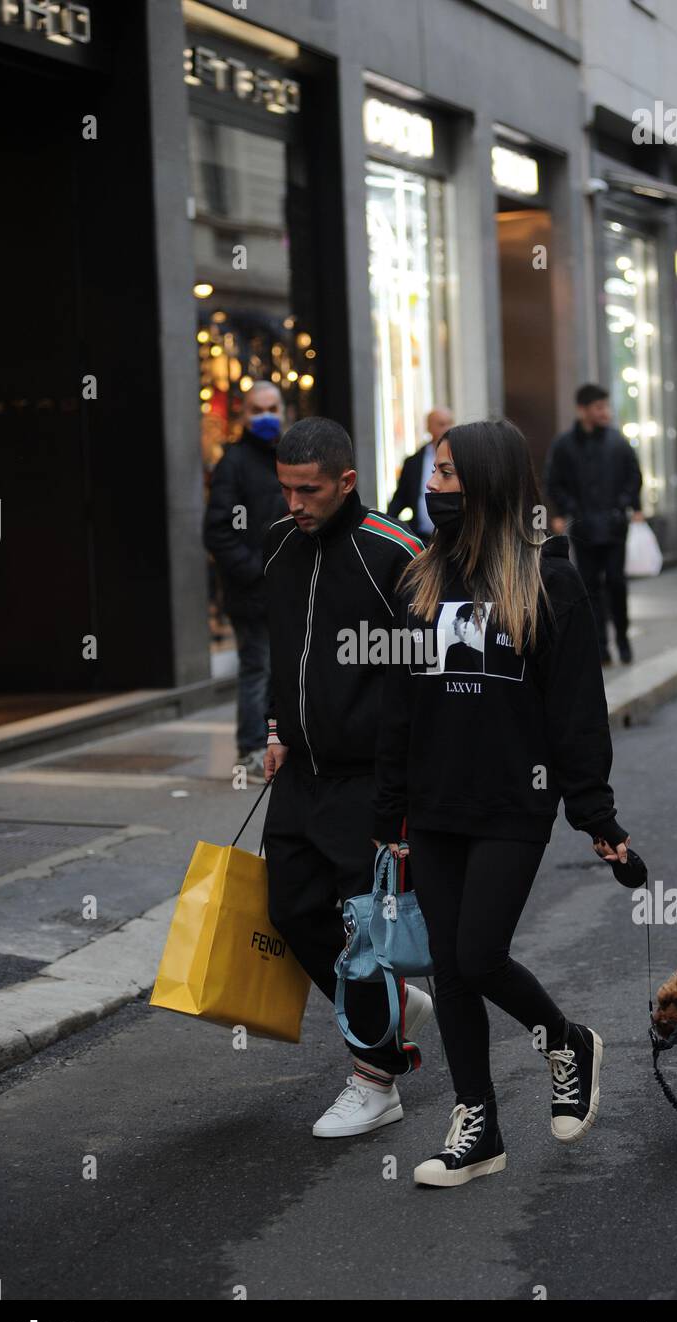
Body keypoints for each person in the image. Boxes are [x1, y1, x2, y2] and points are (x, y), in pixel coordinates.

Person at [374, 419, 632, 1188]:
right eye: (433, 473)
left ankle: (563, 1040)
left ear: (485, 482)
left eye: (447, 475)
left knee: (476, 953)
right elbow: (397, 709)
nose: (433, 486)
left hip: (513, 803)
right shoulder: (420, 579)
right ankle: (476, 1125)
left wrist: (594, 814)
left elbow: (576, 712)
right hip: (435, 802)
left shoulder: (548, 580)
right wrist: (390, 814)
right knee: (449, 972)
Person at [260, 417, 434, 1138]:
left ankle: (376, 1078)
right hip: (301, 773)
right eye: (286, 489)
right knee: (291, 911)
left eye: (309, 490)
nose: (295, 504)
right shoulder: (278, 543)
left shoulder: (398, 552)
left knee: (363, 931)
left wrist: (410, 787)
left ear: (347, 482)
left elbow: (424, 677)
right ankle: (389, 1003)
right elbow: (282, 653)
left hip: (371, 780)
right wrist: (274, 729)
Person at [203, 382, 289, 780]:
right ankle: (252, 750)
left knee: (282, 668)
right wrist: (258, 570)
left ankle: (276, 745)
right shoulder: (233, 463)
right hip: (251, 593)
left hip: (287, 590)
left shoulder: (289, 457)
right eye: (258, 409)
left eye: (272, 407)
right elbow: (217, 530)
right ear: (244, 414)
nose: (266, 415)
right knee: (258, 668)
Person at [545, 385, 642, 665]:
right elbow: (553, 482)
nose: (605, 413)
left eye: (606, 407)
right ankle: (601, 647)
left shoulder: (617, 441)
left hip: (614, 528)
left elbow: (634, 476)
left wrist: (626, 505)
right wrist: (568, 510)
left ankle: (622, 641)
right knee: (589, 589)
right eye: (599, 407)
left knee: (616, 583)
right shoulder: (564, 445)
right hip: (584, 529)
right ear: (582, 410)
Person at [387, 407, 454, 543]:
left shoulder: (461, 457)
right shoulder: (414, 461)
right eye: (441, 424)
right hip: (422, 538)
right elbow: (400, 498)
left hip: (453, 537)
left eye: (450, 423)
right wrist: (387, 527)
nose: (447, 429)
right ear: (429, 427)